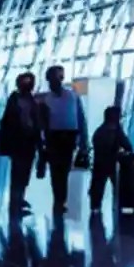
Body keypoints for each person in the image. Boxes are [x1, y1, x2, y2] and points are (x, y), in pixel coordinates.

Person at [38, 66, 87, 215]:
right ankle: (59, 198)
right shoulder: (46, 100)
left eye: (59, 77)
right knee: (56, 170)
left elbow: (80, 118)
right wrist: (42, 143)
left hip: (68, 138)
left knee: (63, 170)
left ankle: (60, 199)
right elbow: (42, 123)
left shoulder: (72, 97)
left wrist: (84, 141)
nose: (57, 81)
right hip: (54, 138)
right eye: (54, 77)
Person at [0, 73, 42, 215]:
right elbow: (7, 122)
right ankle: (15, 200)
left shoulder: (33, 101)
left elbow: (36, 121)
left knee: (25, 172)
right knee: (17, 172)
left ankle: (19, 198)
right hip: (18, 140)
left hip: (29, 140)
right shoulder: (15, 100)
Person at [88, 106, 132, 214]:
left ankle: (95, 207)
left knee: (98, 186)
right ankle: (119, 206)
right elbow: (127, 145)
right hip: (112, 163)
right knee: (117, 186)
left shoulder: (99, 132)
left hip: (99, 163)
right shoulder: (116, 131)